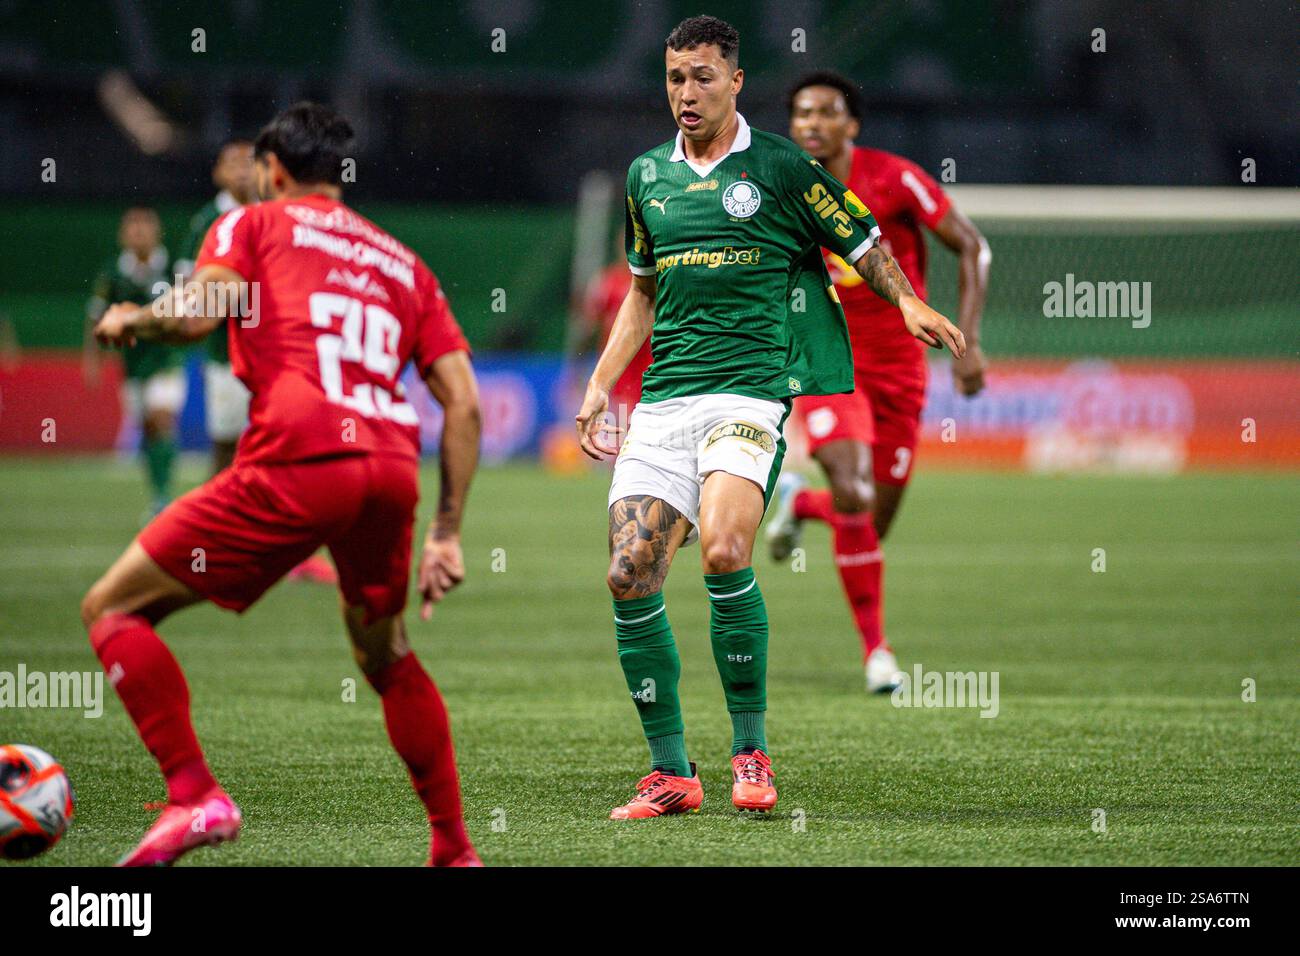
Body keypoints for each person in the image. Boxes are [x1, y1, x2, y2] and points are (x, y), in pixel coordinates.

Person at [574, 17, 964, 820]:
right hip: (664, 402)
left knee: (722, 550)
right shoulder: (648, 175)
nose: (687, 92)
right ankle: (670, 772)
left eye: (703, 77)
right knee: (628, 573)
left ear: (736, 81)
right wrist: (599, 382)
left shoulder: (784, 167)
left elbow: (862, 241)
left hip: (748, 397)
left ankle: (749, 750)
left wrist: (909, 300)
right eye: (676, 77)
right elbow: (642, 290)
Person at [82, 103, 483, 867]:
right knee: (386, 654)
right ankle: (456, 850)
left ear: (272, 171)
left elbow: (200, 311)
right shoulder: (403, 262)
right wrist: (447, 531)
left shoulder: (253, 225)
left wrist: (135, 320)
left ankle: (196, 795)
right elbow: (461, 400)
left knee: (111, 609)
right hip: (390, 468)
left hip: (299, 455)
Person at [769, 71, 991, 692]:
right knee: (855, 490)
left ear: (852, 125)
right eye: (801, 114)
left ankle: (797, 502)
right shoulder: (775, 186)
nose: (811, 123)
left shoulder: (894, 178)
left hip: (899, 366)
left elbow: (973, 248)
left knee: (870, 516)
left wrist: (968, 342)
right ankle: (877, 653)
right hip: (824, 362)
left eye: (826, 112)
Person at [85, 208, 186, 516]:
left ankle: (164, 496)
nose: (139, 233)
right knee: (147, 428)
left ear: (157, 233)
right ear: (123, 235)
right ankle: (157, 493)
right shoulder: (113, 273)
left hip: (167, 359)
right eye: (133, 228)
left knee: (161, 418)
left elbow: (192, 307)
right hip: (133, 366)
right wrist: (93, 360)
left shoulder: (173, 268)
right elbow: (96, 318)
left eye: (145, 227)